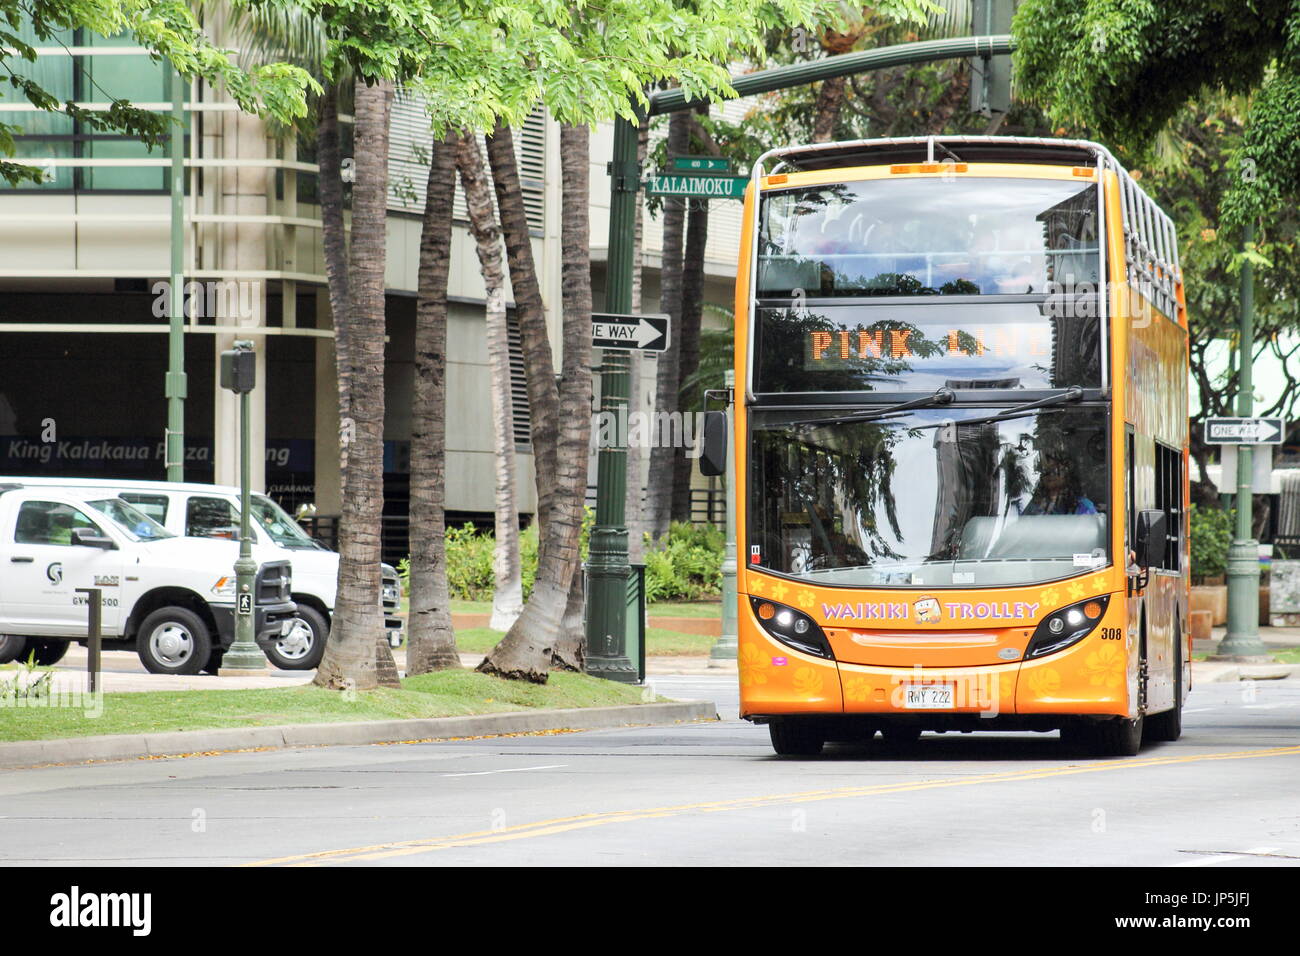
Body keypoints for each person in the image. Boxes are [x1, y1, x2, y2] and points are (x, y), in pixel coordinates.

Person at [1021, 453, 1097, 516]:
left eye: (1055, 470)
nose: (1050, 475)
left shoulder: (1083, 506)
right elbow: (1022, 529)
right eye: (1045, 471)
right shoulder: (1036, 503)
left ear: (1068, 475)